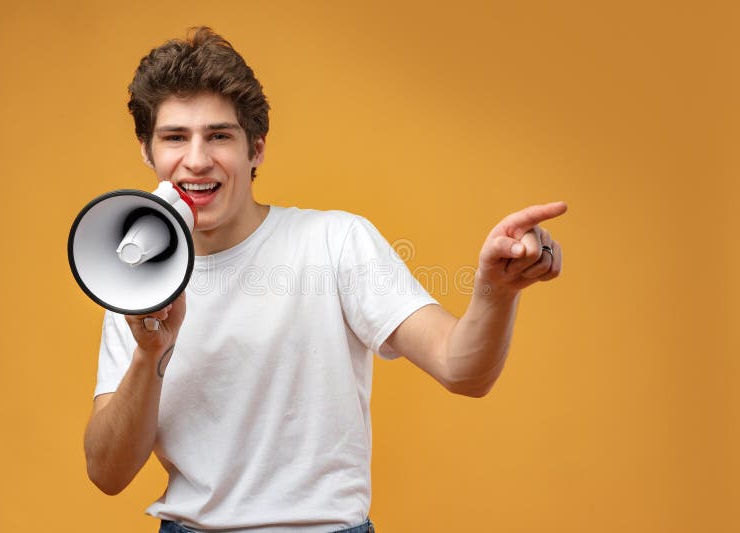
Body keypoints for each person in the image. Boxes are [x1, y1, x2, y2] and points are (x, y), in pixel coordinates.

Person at [83, 26, 566, 533]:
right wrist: (149, 353)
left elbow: (464, 369)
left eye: (220, 135)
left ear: (257, 150)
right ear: (148, 152)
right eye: (175, 137)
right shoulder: (134, 281)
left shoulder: (336, 242)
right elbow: (107, 472)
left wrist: (498, 289)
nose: (198, 159)